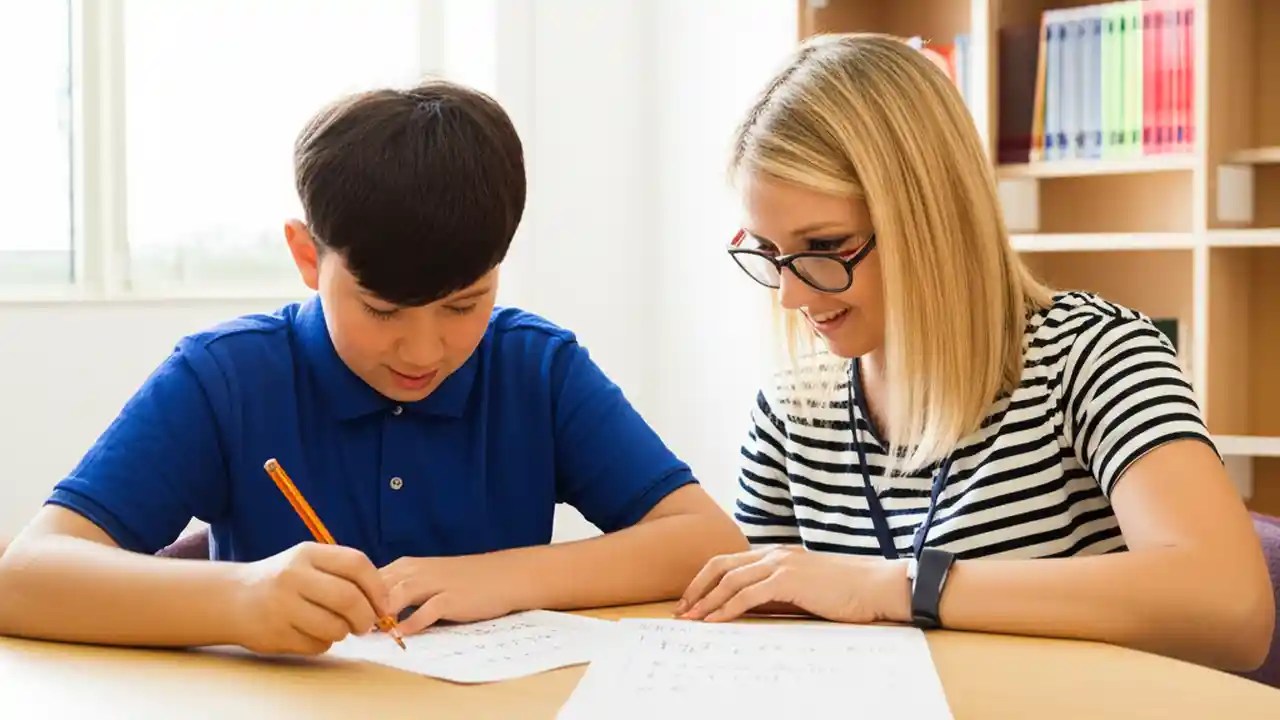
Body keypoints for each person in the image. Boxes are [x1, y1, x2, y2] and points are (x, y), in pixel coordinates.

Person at [0, 79, 747, 656]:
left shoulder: (534, 367)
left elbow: (708, 543)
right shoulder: (226, 377)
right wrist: (238, 598)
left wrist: (495, 578)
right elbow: (24, 577)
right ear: (306, 256)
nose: (423, 353)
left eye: (464, 305)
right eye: (383, 311)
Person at [674, 33, 1274, 672]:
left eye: (826, 245)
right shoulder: (791, 411)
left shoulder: (1093, 355)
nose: (792, 294)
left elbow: (1231, 609)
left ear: (929, 216)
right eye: (769, 253)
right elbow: (753, 639)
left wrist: (898, 589)